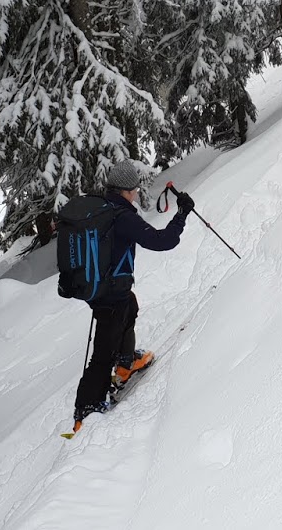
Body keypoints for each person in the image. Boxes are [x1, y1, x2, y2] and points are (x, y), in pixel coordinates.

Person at [70, 159, 191, 433]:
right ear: (126, 190)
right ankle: (85, 409)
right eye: (134, 189)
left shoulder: (100, 209)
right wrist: (181, 215)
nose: (136, 193)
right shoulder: (122, 217)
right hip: (110, 292)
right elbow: (161, 241)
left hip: (100, 288)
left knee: (130, 307)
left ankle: (126, 362)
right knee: (103, 351)